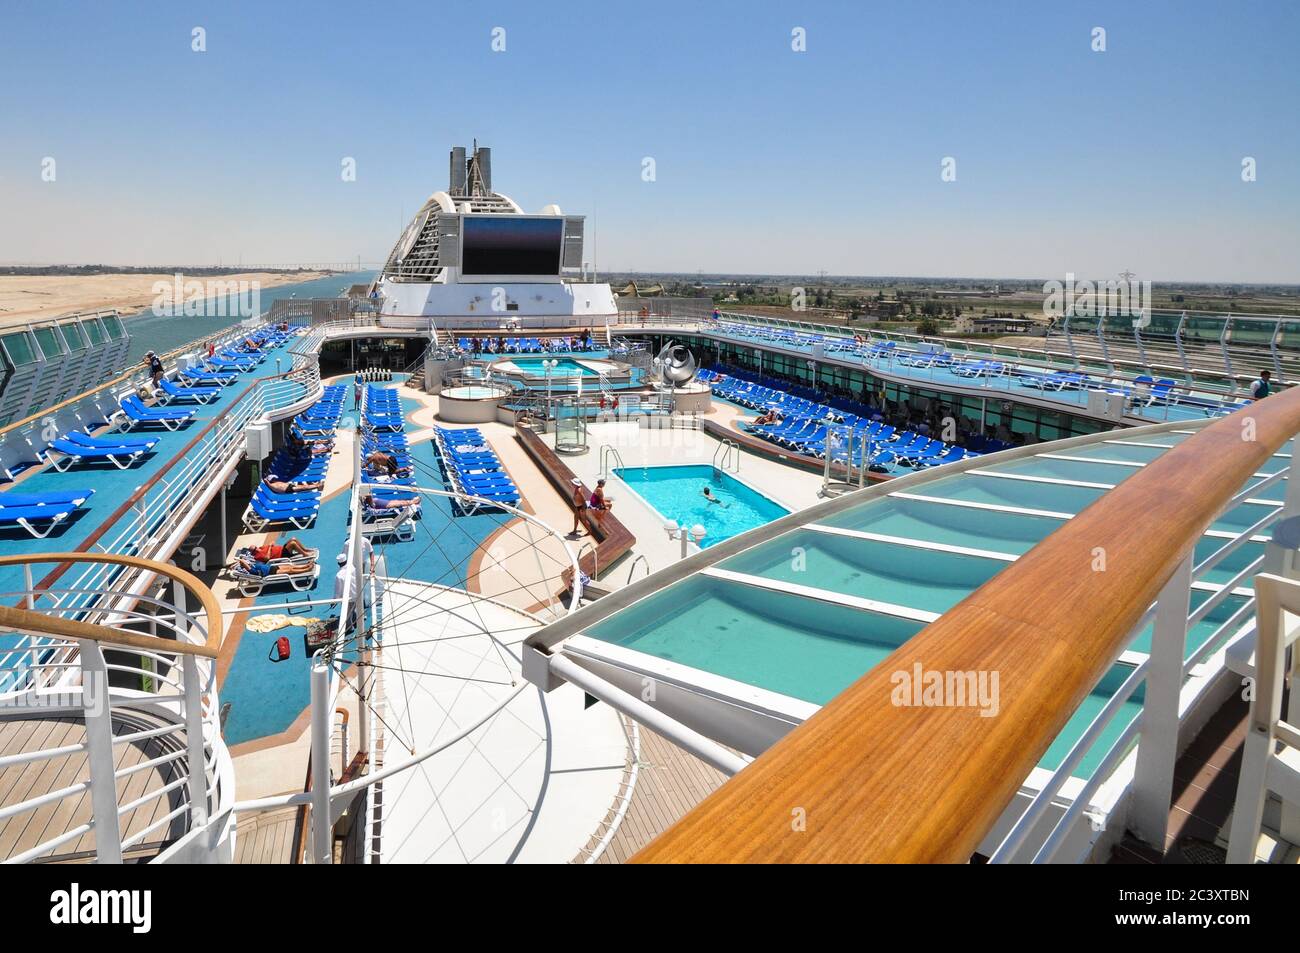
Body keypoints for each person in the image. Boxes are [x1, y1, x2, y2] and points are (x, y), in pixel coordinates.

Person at [233, 552, 315, 578]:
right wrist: (239, 560)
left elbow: (245, 560)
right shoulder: (250, 570)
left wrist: (240, 560)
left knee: (290, 566)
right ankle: (307, 569)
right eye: (244, 563)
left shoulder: (252, 564)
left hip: (271, 567)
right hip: (270, 572)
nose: (246, 562)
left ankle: (306, 565)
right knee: (290, 570)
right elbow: (243, 562)